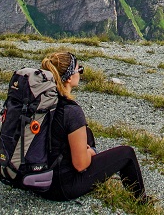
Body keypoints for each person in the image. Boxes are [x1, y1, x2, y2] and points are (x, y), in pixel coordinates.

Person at [38, 51, 147, 203]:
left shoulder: (41, 101)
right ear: (69, 77)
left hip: (39, 178)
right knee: (127, 154)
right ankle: (141, 202)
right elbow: (80, 164)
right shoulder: (71, 111)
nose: (80, 73)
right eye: (79, 70)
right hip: (60, 187)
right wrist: (89, 153)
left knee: (86, 133)